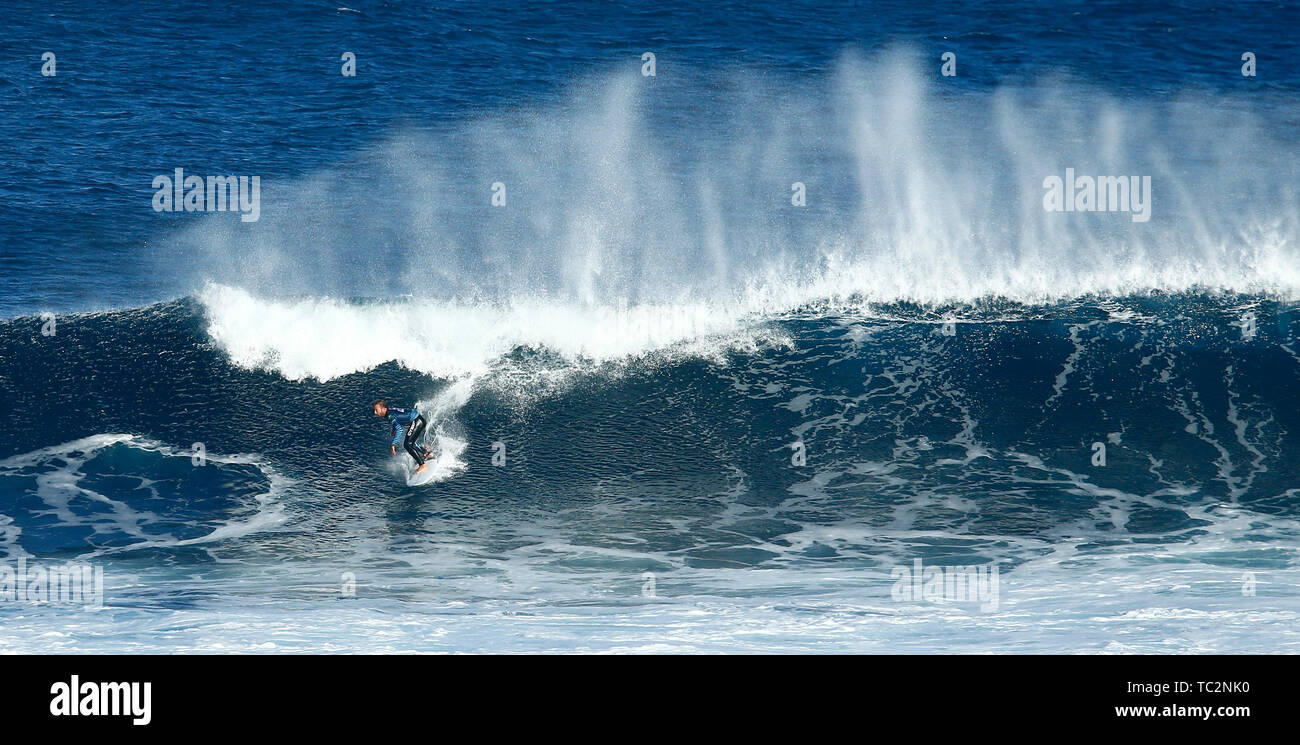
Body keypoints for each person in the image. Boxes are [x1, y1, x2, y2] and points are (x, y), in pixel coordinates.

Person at [373, 400, 434, 475]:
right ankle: (427, 453)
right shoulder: (389, 412)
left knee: (407, 444)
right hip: (418, 419)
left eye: (376, 410)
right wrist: (393, 428)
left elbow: (400, 429)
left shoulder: (390, 416)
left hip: (417, 421)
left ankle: (422, 465)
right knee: (410, 443)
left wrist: (393, 444)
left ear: (383, 409)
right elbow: (397, 418)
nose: (375, 413)